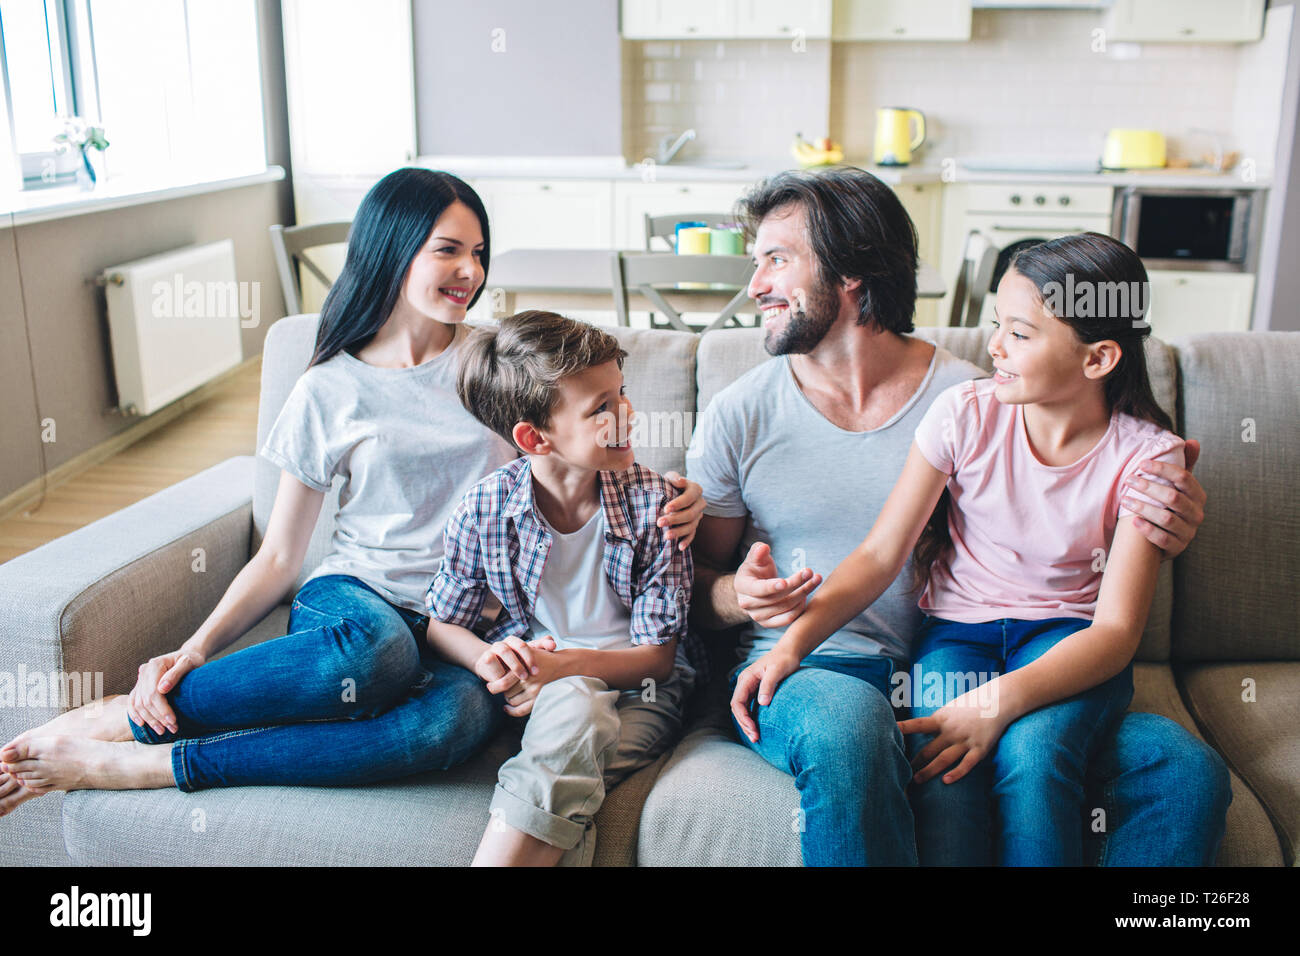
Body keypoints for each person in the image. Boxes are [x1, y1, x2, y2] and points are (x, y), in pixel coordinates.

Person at [0, 168, 705, 811]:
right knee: (379, 655)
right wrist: (194, 647)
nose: (471, 271)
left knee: (450, 724)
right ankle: (122, 717)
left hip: (466, 622)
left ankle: (162, 765)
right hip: (356, 600)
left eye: (480, 253)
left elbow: (586, 446)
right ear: (393, 250)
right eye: (449, 249)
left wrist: (676, 495)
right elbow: (280, 556)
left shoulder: (498, 363)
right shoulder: (328, 388)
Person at [691, 167, 1229, 866]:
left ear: (853, 273)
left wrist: (1166, 511)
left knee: (1184, 769)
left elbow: (1081, 483)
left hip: (974, 665)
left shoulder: (981, 395)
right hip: (832, 673)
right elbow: (695, 585)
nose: (755, 284)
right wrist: (740, 598)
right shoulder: (743, 409)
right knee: (865, 732)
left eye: (777, 259)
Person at [425, 311, 695, 866]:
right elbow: (443, 623)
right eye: (601, 407)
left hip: (639, 693)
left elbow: (660, 662)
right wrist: (490, 658)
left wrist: (561, 669)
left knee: (576, 722)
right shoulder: (486, 507)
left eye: (622, 393)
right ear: (533, 437)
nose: (627, 414)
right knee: (573, 753)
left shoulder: (655, 506)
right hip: (544, 695)